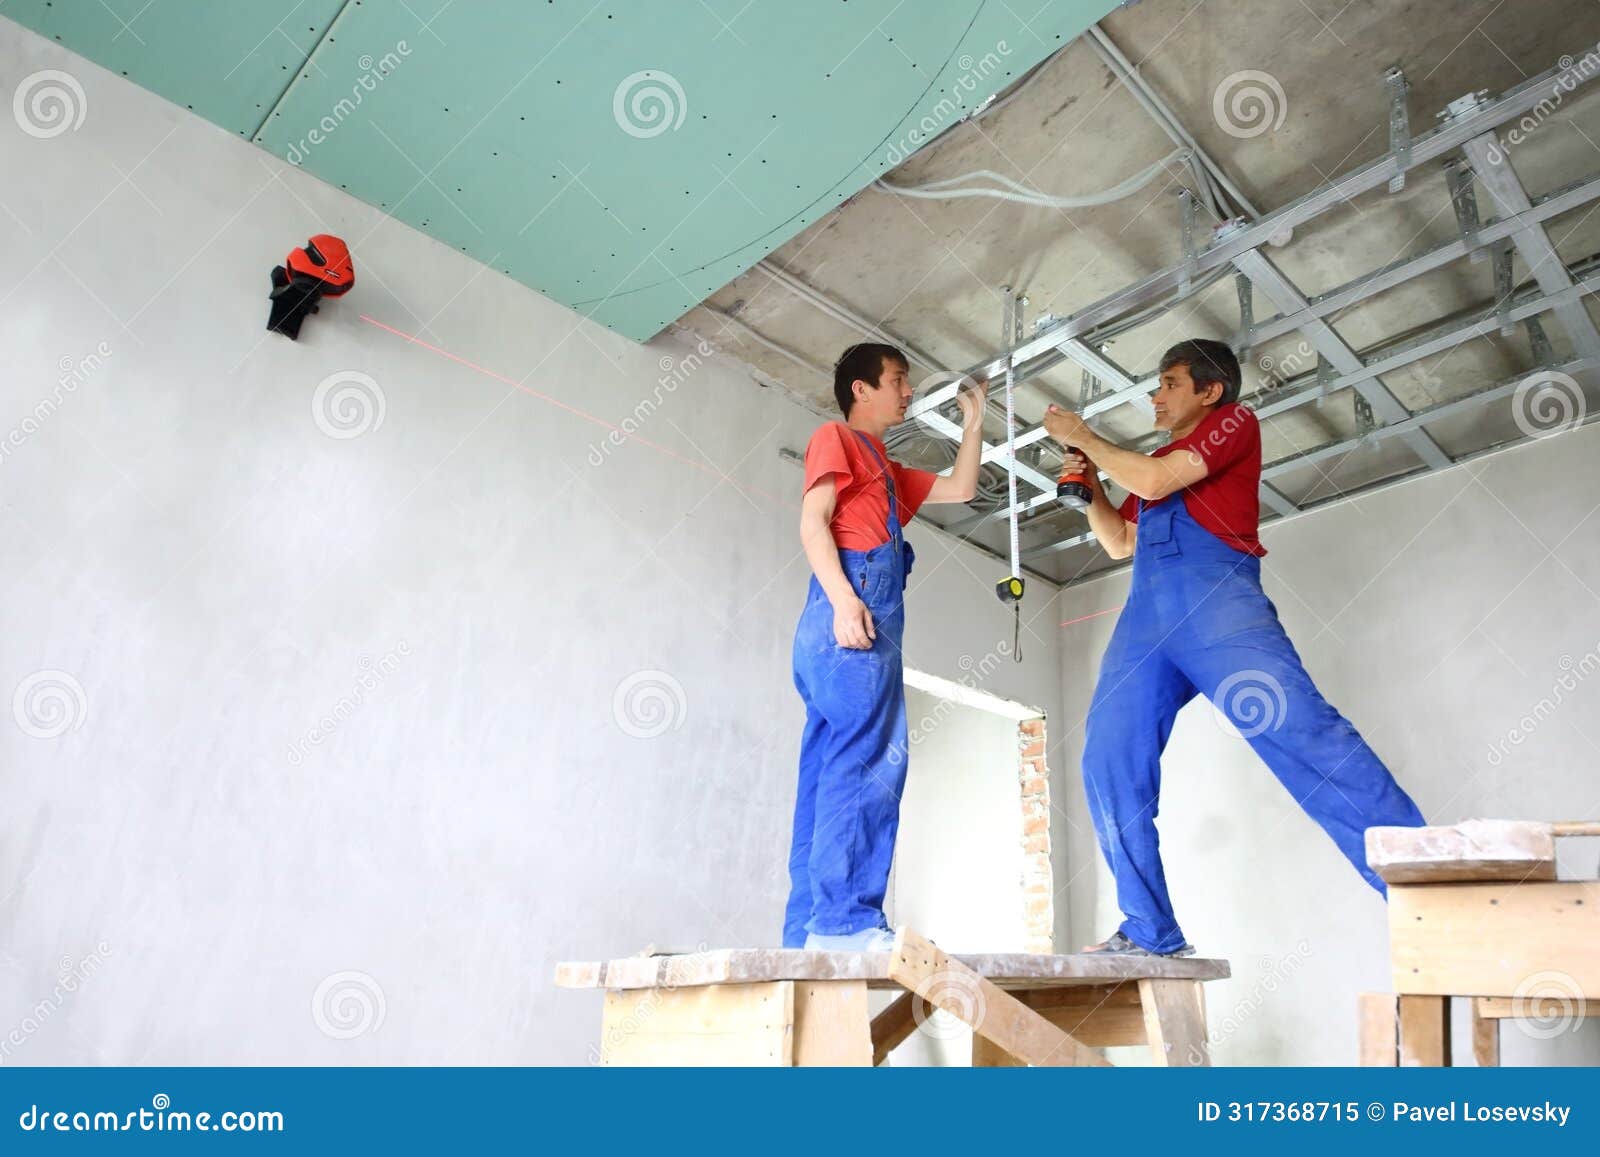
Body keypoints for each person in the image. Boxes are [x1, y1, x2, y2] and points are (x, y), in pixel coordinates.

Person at [1042, 338, 1426, 957]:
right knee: (1107, 759)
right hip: (1146, 618)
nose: (1156, 396)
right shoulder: (1156, 460)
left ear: (1210, 391)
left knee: (1299, 728)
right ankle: (1150, 929)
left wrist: (1085, 436)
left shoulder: (1233, 424)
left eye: (1169, 383)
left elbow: (1159, 480)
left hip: (1216, 600)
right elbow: (1119, 543)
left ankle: (1423, 885)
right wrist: (1092, 492)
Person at [784, 343, 987, 951]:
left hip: (836, 633)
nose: (907, 391)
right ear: (861, 389)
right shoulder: (836, 437)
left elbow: (962, 487)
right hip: (848, 619)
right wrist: (846, 601)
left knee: (826, 774)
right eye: (898, 380)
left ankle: (807, 934)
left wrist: (974, 423)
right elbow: (813, 521)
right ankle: (844, 923)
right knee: (871, 762)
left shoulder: (889, 472)